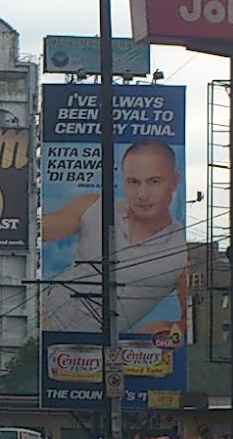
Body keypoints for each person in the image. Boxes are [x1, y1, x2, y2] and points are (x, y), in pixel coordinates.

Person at [41, 141, 188, 338]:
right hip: (36, 313)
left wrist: (162, 328)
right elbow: (32, 230)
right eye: (133, 182)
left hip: (86, 348)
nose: (142, 195)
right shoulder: (96, 207)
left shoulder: (181, 249)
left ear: (174, 181)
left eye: (154, 181)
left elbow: (189, 319)